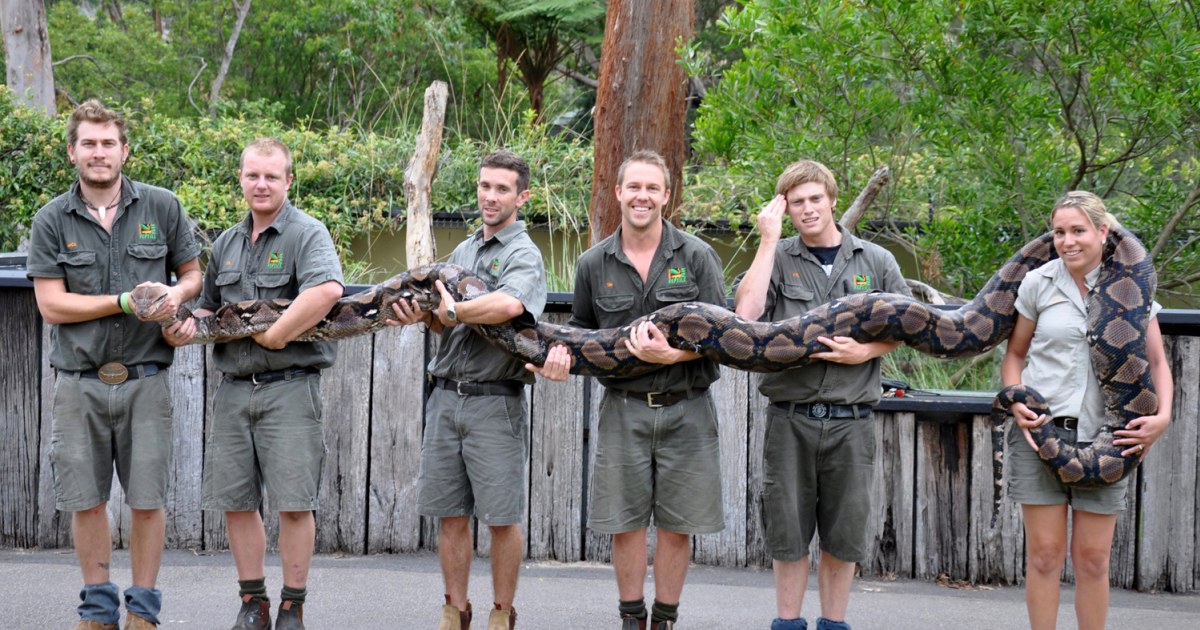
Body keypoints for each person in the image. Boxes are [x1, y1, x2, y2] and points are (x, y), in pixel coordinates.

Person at [26, 99, 202, 630]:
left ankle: (143, 613)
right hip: (78, 384)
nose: (99, 153)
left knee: (147, 500)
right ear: (72, 152)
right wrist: (124, 301)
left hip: (148, 380)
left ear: (124, 150)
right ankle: (98, 609)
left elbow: (193, 275)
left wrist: (175, 295)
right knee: (87, 501)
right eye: (88, 144)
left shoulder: (163, 207)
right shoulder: (51, 219)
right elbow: (52, 305)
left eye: (108, 143)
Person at [534, 149, 727, 630]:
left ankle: (664, 619)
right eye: (634, 187)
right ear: (618, 192)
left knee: (678, 524)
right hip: (623, 408)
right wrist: (557, 363)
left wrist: (675, 356)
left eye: (652, 188)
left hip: (688, 408)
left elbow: (725, 340)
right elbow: (579, 335)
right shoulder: (593, 263)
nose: (643, 196)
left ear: (667, 195)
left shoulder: (698, 257)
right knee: (625, 521)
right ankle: (630, 618)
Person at [168, 138, 345, 630]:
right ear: (241, 179)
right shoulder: (224, 243)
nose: (261, 184)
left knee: (293, 502)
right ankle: (253, 604)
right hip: (234, 389)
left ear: (289, 180)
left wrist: (276, 336)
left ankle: (292, 605)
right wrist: (182, 325)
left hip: (289, 385)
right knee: (236, 500)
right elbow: (208, 308)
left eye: (271, 176)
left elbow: (328, 290)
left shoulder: (307, 234)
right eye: (252, 175)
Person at [732, 160, 910, 630]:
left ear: (832, 199)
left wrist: (866, 351)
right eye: (796, 202)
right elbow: (745, 318)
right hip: (789, 418)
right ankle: (787, 623)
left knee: (842, 534)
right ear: (782, 208)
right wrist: (767, 240)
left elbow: (907, 327)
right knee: (788, 533)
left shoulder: (876, 260)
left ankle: (834, 623)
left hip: (853, 421)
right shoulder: (777, 256)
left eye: (815, 199)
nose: (807, 209)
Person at [386, 150, 547, 630]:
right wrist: (428, 316)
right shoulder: (464, 253)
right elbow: (446, 325)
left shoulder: (523, 253)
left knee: (501, 517)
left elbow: (509, 304)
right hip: (446, 397)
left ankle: (502, 612)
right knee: (450, 514)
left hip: (495, 401)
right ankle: (455, 609)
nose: (490, 196)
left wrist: (454, 311)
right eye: (484, 186)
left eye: (501, 188)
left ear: (523, 196)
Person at [1001, 191, 1172, 630]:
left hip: (1111, 434)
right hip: (1039, 430)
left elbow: (1156, 362)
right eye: (1059, 232)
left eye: (1078, 230)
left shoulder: (1132, 286)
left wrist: (1164, 415)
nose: (1067, 241)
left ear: (1102, 232)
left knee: (1094, 560)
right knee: (1044, 556)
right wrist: (1015, 398)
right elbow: (1014, 356)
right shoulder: (1039, 282)